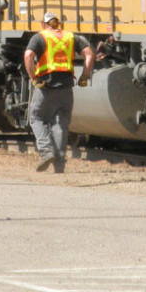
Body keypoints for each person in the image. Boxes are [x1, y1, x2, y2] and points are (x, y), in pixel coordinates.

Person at [23, 11, 95, 173]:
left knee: (36, 118)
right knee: (61, 123)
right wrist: (85, 76)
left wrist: (33, 77)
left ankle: (47, 152)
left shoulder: (39, 37)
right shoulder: (72, 37)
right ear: (58, 23)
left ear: (44, 24)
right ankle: (59, 163)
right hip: (66, 88)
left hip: (46, 87)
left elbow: (28, 56)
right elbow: (89, 55)